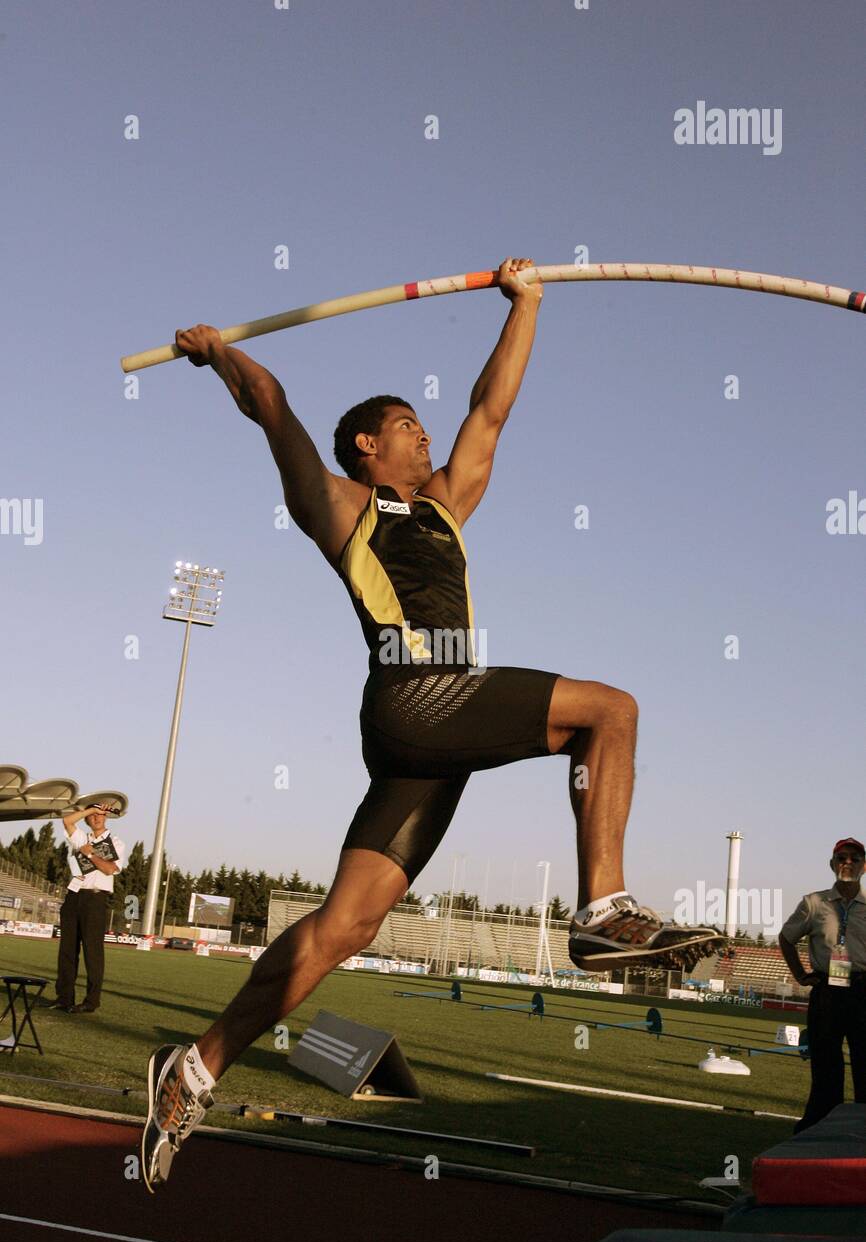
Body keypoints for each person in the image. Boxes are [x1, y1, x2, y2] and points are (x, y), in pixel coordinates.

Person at [141, 256, 722, 1191]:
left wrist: (526, 305)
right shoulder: (339, 506)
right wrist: (219, 357)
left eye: (420, 426)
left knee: (346, 927)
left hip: (431, 741)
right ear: (367, 447)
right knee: (611, 712)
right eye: (406, 426)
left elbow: (491, 411)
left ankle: (196, 1067)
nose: (423, 436)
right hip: (416, 692)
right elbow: (275, 404)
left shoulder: (447, 507)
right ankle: (604, 907)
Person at [778, 836, 866, 1132]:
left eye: (855, 858)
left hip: (863, 991)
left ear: (864, 866)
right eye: (842, 858)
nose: (848, 863)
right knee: (826, 1066)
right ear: (832, 864)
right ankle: (818, 1131)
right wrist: (801, 975)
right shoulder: (814, 903)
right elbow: (786, 938)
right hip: (827, 991)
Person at [53, 803, 126, 1014]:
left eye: (101, 815)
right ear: (87, 819)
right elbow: (67, 821)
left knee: (93, 953)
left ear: (106, 818)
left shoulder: (116, 842)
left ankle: (91, 1001)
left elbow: (111, 869)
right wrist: (90, 808)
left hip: (95, 898)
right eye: (93, 816)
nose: (97, 818)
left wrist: (91, 854)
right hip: (74, 896)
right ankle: (64, 998)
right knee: (67, 950)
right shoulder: (82, 838)